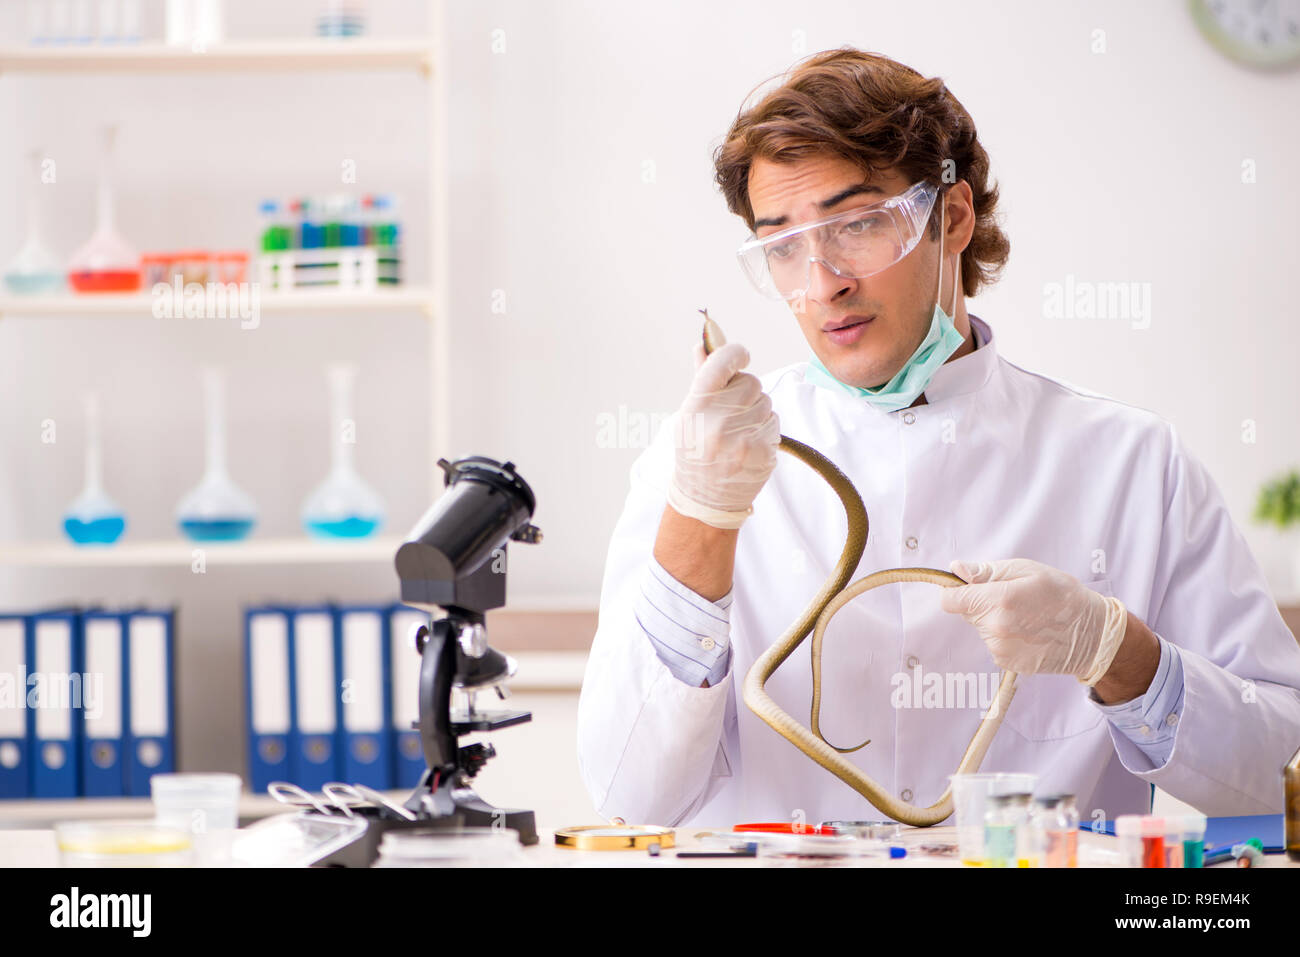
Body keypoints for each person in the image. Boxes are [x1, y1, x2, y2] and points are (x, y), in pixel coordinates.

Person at [576, 47, 1300, 828]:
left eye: (855, 224)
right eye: (782, 244)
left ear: (951, 218)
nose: (821, 284)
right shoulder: (703, 464)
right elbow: (629, 801)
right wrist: (701, 521)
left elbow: (1272, 777)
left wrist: (1114, 649)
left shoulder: (1132, 464)